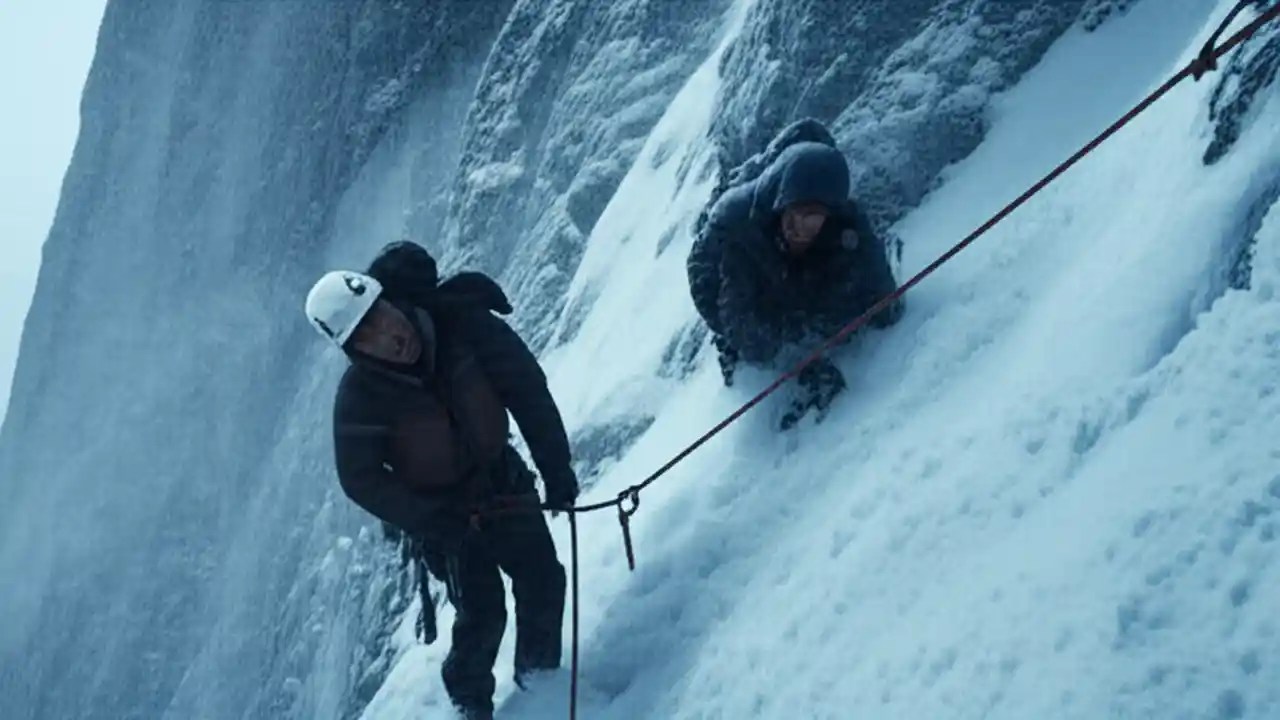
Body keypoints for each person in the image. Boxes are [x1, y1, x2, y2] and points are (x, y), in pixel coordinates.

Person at [304, 241, 579, 720]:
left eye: (383, 314)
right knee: (483, 610)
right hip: (445, 517)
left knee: (542, 580)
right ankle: (470, 702)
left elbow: (527, 391)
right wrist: (434, 521)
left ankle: (541, 692)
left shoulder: (467, 328)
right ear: (354, 352)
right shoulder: (360, 398)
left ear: (391, 300)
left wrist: (557, 470)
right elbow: (360, 478)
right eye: (368, 335)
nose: (390, 335)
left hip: (503, 485)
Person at [687, 122, 903, 429]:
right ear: (780, 203)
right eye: (795, 215)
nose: (800, 227)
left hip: (787, 263)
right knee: (757, 339)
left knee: (838, 300)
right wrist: (800, 363)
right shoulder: (740, 227)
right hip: (723, 281)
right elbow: (738, 316)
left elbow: (870, 266)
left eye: (813, 219)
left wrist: (883, 302)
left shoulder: (844, 218)